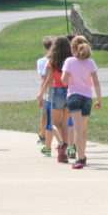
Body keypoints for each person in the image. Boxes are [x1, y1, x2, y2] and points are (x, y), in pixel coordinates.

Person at [61, 35, 102, 170]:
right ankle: (82, 155)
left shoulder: (69, 61)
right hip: (87, 97)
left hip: (74, 95)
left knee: (78, 129)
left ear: (73, 48)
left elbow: (64, 80)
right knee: (82, 129)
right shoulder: (91, 62)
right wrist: (99, 99)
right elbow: (96, 82)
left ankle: (80, 158)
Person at [37, 35, 72, 164]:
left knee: (54, 123)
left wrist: (41, 94)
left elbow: (49, 79)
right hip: (69, 91)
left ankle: (61, 143)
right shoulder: (71, 60)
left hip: (56, 91)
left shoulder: (53, 61)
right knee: (65, 123)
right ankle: (65, 148)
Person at [36, 36, 54, 156]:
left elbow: (44, 79)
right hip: (51, 91)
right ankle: (43, 135)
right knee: (47, 116)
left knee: (46, 117)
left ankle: (44, 136)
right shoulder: (43, 61)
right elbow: (44, 78)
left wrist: (40, 94)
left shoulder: (44, 61)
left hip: (49, 91)